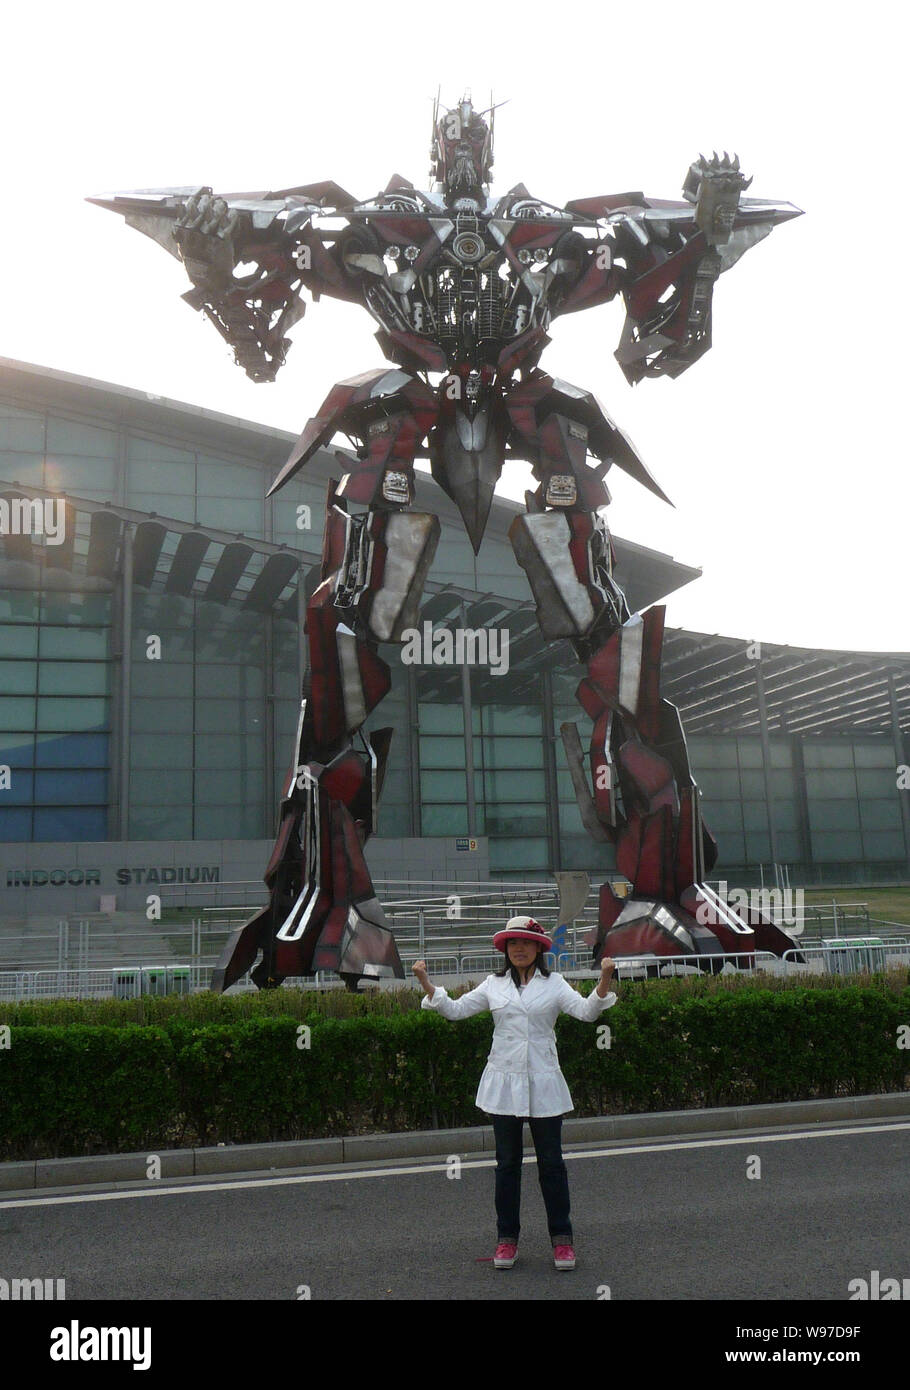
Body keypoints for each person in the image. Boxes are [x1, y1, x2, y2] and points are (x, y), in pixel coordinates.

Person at [412, 915, 617, 1271]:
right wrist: (429, 986)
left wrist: (603, 981)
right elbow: (458, 1011)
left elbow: (586, 1013)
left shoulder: (554, 985)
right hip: (503, 1083)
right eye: (512, 943)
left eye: (525, 942)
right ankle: (507, 1241)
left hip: (544, 1081)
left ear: (539, 948)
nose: (519, 948)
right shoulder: (493, 985)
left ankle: (562, 1241)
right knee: (507, 1165)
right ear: (505, 950)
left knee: (551, 1165)